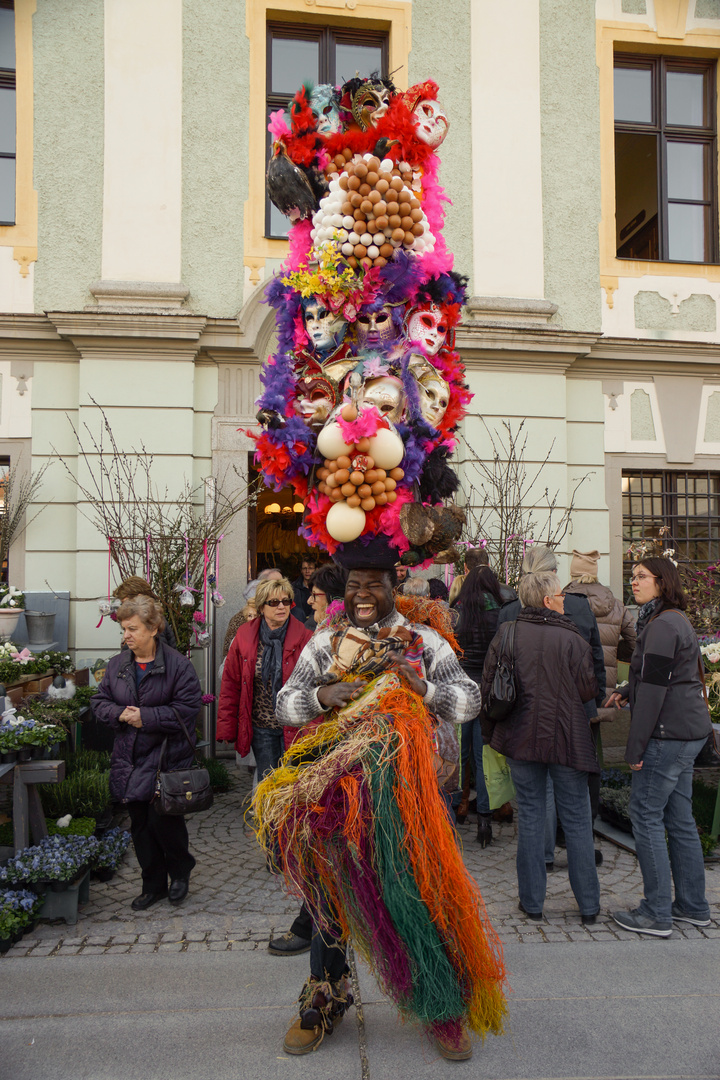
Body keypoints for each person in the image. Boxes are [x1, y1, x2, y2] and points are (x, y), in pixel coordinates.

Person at [259, 556, 505, 1061]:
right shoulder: (325, 642)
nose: (363, 595)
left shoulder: (424, 642)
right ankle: (323, 998)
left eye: (374, 585)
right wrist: (323, 695)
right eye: (354, 586)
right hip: (335, 799)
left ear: (393, 588)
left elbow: (470, 700)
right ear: (343, 590)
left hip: (409, 801)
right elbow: (282, 703)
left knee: (416, 894)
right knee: (328, 903)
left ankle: (441, 1005)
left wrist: (426, 688)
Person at [481, 571, 600, 924]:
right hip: (567, 739)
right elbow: (587, 689)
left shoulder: (507, 633)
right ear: (547, 600)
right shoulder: (572, 638)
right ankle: (589, 906)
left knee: (531, 818)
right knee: (578, 820)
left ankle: (532, 904)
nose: (566, 600)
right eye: (561, 595)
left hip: (521, 738)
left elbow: (489, 684)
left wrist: (491, 734)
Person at [607, 557, 712, 937]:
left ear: (662, 583)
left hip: (668, 735)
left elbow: (654, 690)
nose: (633, 582)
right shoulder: (670, 619)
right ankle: (692, 906)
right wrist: (624, 690)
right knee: (679, 819)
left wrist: (634, 749)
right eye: (631, 576)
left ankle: (655, 912)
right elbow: (663, 677)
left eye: (641, 577)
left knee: (646, 815)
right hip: (686, 729)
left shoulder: (663, 625)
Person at [92, 596, 202, 909]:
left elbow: (187, 710)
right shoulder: (117, 666)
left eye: (133, 628)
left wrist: (147, 717)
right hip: (131, 759)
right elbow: (98, 703)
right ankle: (153, 885)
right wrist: (120, 714)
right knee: (139, 826)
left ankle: (181, 871)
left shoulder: (178, 666)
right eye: (124, 629)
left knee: (165, 822)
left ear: (153, 629)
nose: (126, 635)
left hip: (166, 759)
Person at [498, 545, 606, 862]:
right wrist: (593, 703)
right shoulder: (578, 607)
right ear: (555, 573)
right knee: (579, 782)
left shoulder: (508, 612)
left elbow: (500, 672)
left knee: (540, 788)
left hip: (525, 712)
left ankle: (543, 854)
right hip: (575, 709)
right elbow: (595, 660)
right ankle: (578, 852)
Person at [217, 576, 313, 787]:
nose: (281, 606)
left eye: (286, 601)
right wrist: (226, 726)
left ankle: (290, 821)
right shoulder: (245, 635)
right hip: (262, 727)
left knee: (295, 786)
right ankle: (268, 821)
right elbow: (231, 683)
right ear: (261, 606)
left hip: (296, 725)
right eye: (274, 602)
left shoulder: (305, 636)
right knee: (268, 785)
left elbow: (313, 685)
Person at [453, 566, 505, 845]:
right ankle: (484, 819)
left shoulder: (456, 613)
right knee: (483, 757)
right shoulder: (500, 613)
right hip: (487, 690)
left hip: (461, 689)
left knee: (459, 755)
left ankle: (453, 811)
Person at [222, 569, 283, 659]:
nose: (280, 588)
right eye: (274, 584)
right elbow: (230, 655)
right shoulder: (241, 619)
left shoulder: (283, 613)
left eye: (281, 583)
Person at [113, 576, 178, 652]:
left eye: (126, 603)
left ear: (140, 597)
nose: (124, 607)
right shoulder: (153, 620)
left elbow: (157, 657)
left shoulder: (152, 623)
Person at [305, 564, 348, 630]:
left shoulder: (347, 633)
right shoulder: (310, 626)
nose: (309, 601)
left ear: (333, 597)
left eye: (314, 595)